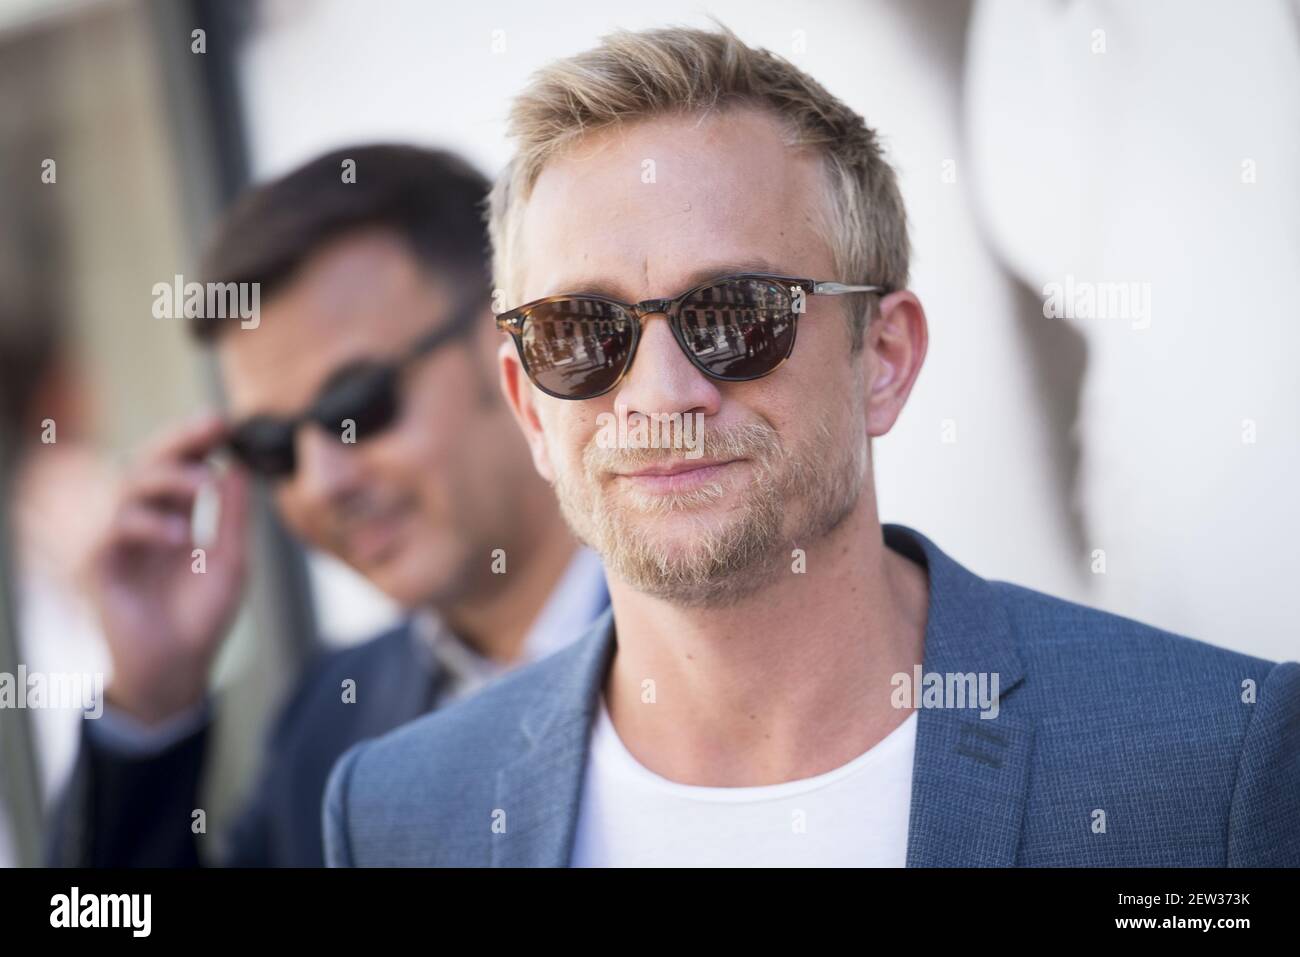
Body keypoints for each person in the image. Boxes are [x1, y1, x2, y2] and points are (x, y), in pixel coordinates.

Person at [322, 28, 1299, 867]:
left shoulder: (1213, 756)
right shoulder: (399, 813)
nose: (661, 395)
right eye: (581, 333)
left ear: (882, 356)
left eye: (735, 316)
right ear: (530, 406)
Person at [46, 144, 607, 867]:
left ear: (510, 346)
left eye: (358, 403)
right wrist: (149, 703)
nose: (321, 480)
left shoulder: (709, 640)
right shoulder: (330, 720)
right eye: (271, 446)